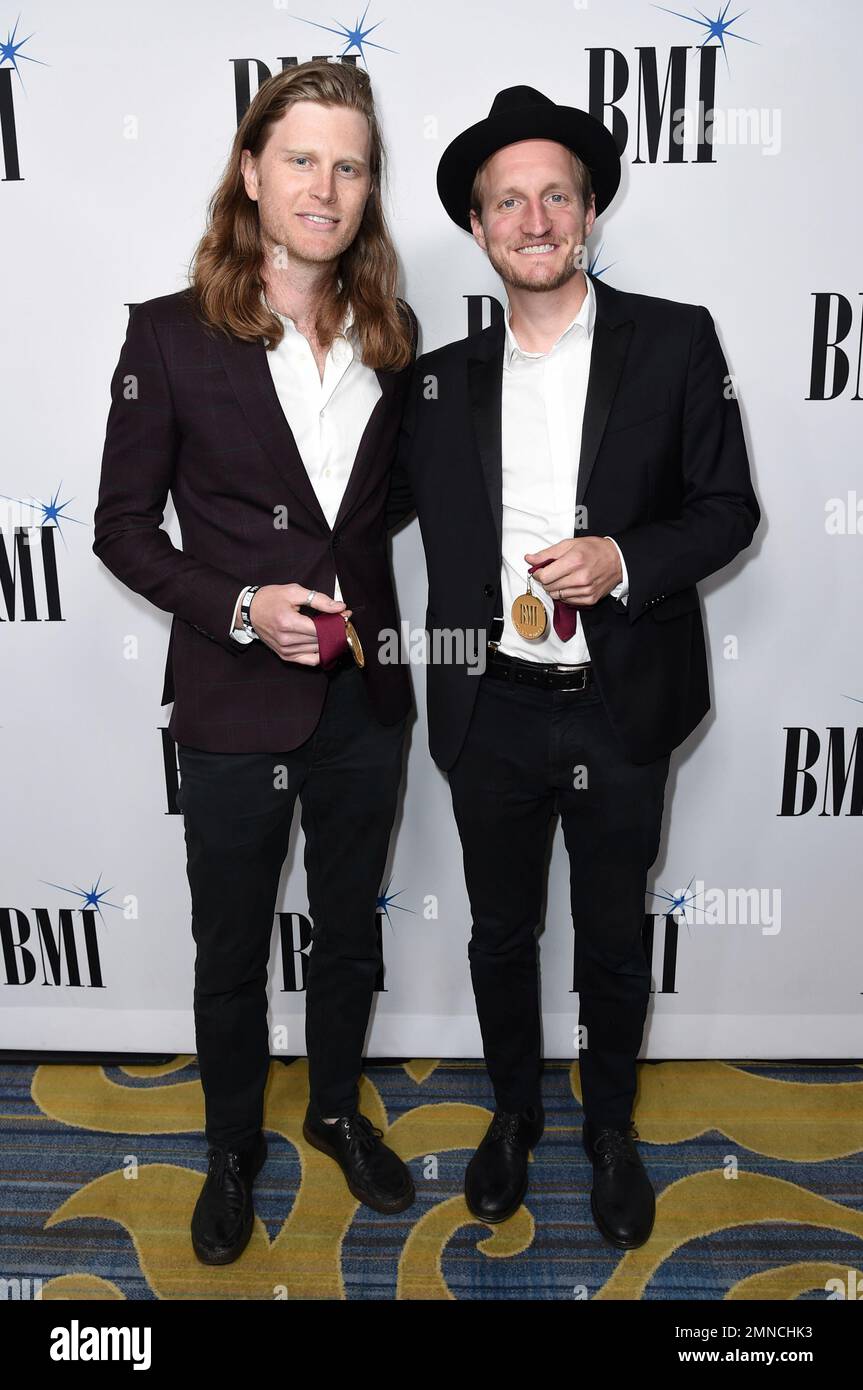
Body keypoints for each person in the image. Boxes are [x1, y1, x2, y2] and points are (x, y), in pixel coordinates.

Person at [387, 85, 761, 1246]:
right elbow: (353, 516)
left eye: (555, 193)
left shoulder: (678, 338)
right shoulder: (435, 380)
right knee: (499, 934)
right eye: (509, 200)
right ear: (478, 227)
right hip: (487, 707)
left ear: (588, 211)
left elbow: (726, 511)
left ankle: (608, 1128)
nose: (534, 217)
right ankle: (509, 1115)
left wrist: (622, 557)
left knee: (608, 936)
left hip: (618, 704)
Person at [94, 60, 418, 1265]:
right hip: (232, 699)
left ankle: (333, 1108)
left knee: (348, 930)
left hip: (366, 698)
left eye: (348, 164)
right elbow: (121, 528)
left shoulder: (391, 337)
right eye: (300, 159)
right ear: (249, 172)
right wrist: (239, 603)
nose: (324, 186)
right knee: (229, 943)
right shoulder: (169, 336)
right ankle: (232, 1144)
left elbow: (373, 516)